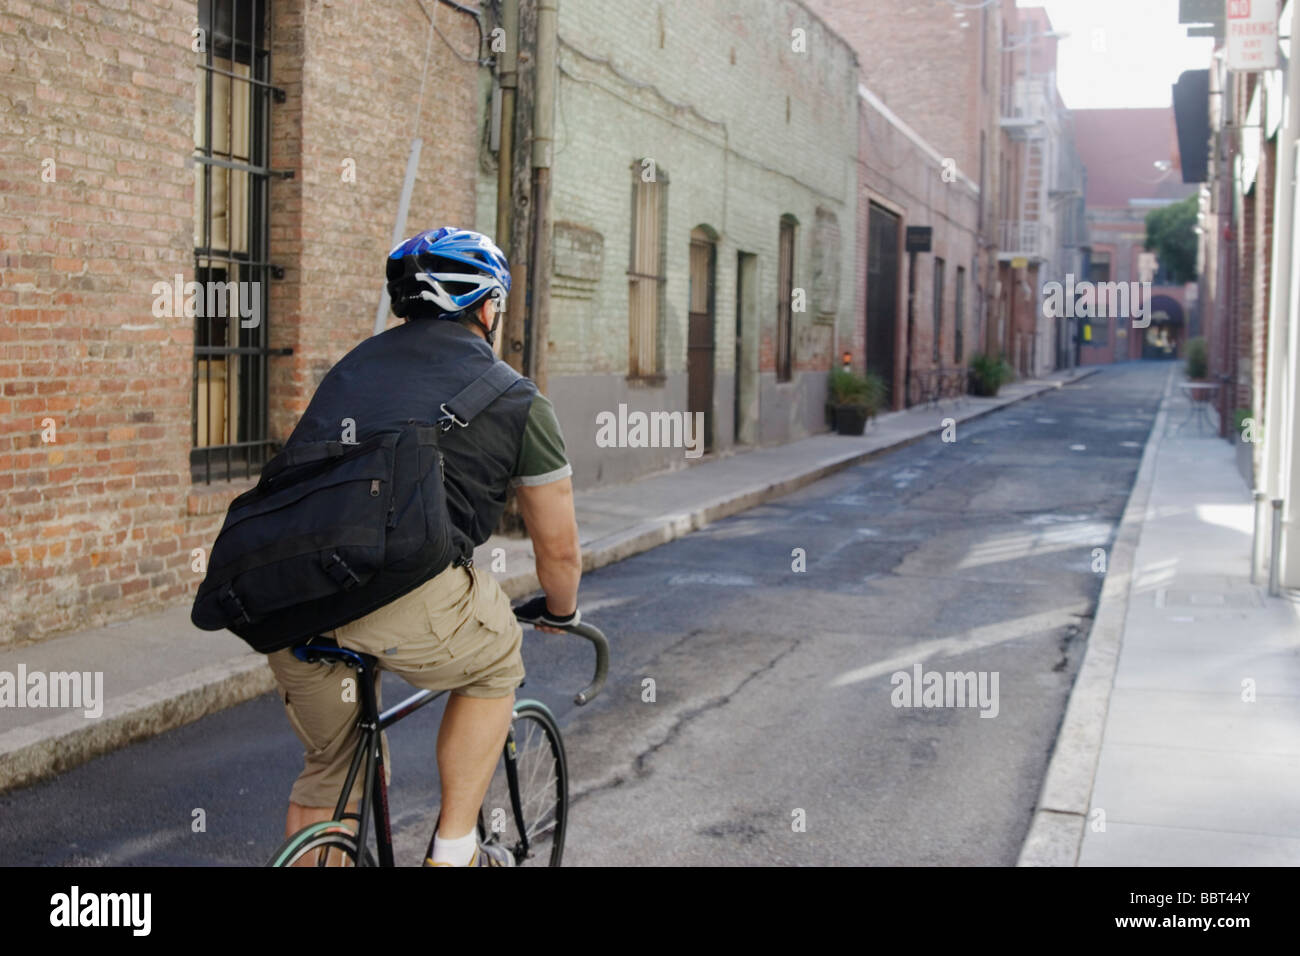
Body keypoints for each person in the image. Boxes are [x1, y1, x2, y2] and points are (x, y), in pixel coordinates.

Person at [265, 227, 582, 866]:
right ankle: (453, 849)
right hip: (400, 589)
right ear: (488, 308)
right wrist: (561, 609)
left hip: (283, 590)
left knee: (332, 767)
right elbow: (559, 549)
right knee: (496, 656)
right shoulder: (517, 397)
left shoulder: (350, 371)